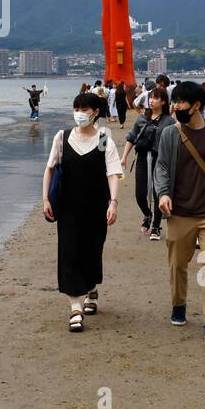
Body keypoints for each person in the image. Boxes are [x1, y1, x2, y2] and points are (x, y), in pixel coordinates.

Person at [153, 80, 205, 342]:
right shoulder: (169, 133)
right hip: (180, 211)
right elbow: (162, 167)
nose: (175, 106)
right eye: (174, 101)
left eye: (180, 102)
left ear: (197, 105)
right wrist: (163, 193)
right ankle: (178, 303)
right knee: (178, 264)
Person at [42, 92, 121, 332]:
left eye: (85, 109)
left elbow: (112, 172)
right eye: (76, 108)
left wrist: (113, 202)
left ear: (95, 112)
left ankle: (91, 288)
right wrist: (45, 198)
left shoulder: (103, 138)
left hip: (96, 205)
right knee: (69, 252)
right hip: (67, 206)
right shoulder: (62, 137)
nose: (80, 113)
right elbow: (50, 168)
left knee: (92, 249)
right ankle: (75, 308)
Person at [120, 85, 172, 240]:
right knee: (140, 194)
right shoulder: (141, 118)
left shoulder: (169, 121)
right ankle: (147, 215)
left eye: (155, 98)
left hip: (160, 160)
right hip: (142, 157)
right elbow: (131, 137)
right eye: (151, 97)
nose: (151, 101)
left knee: (158, 193)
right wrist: (124, 157)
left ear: (163, 101)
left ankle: (156, 226)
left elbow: (173, 143)